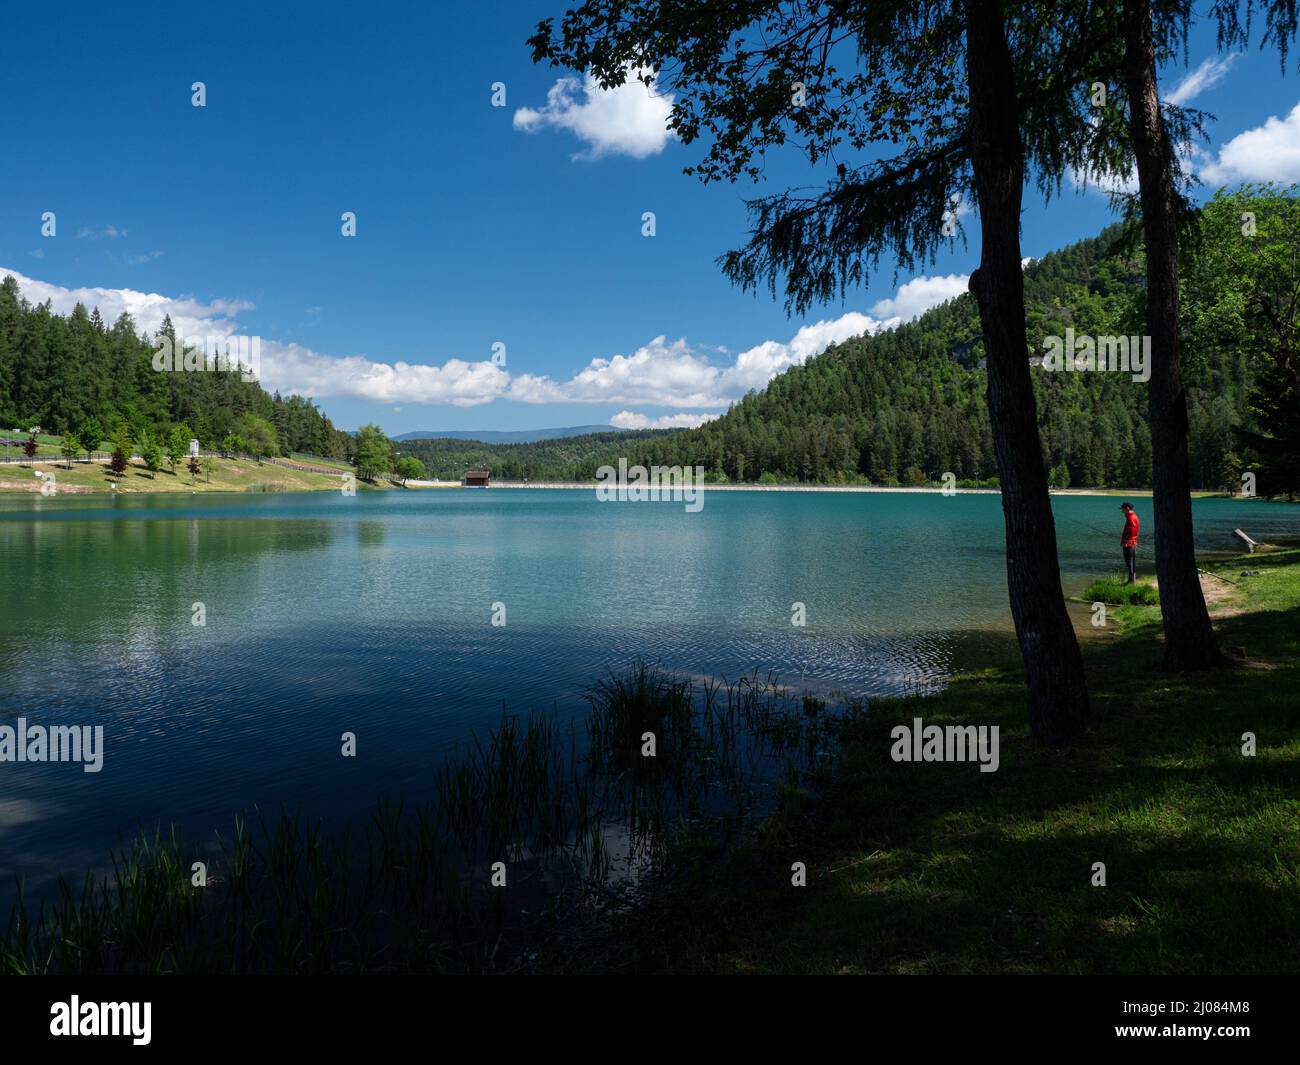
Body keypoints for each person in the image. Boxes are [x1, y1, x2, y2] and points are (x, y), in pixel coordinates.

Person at [1120, 502, 1140, 584]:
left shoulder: (1131, 518)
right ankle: (1131, 580)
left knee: (1129, 562)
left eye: (1123, 509)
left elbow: (1132, 531)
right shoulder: (1132, 517)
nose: (1122, 511)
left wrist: (1125, 541)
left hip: (1129, 543)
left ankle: (1131, 581)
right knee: (1131, 562)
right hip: (1132, 543)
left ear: (1127, 508)